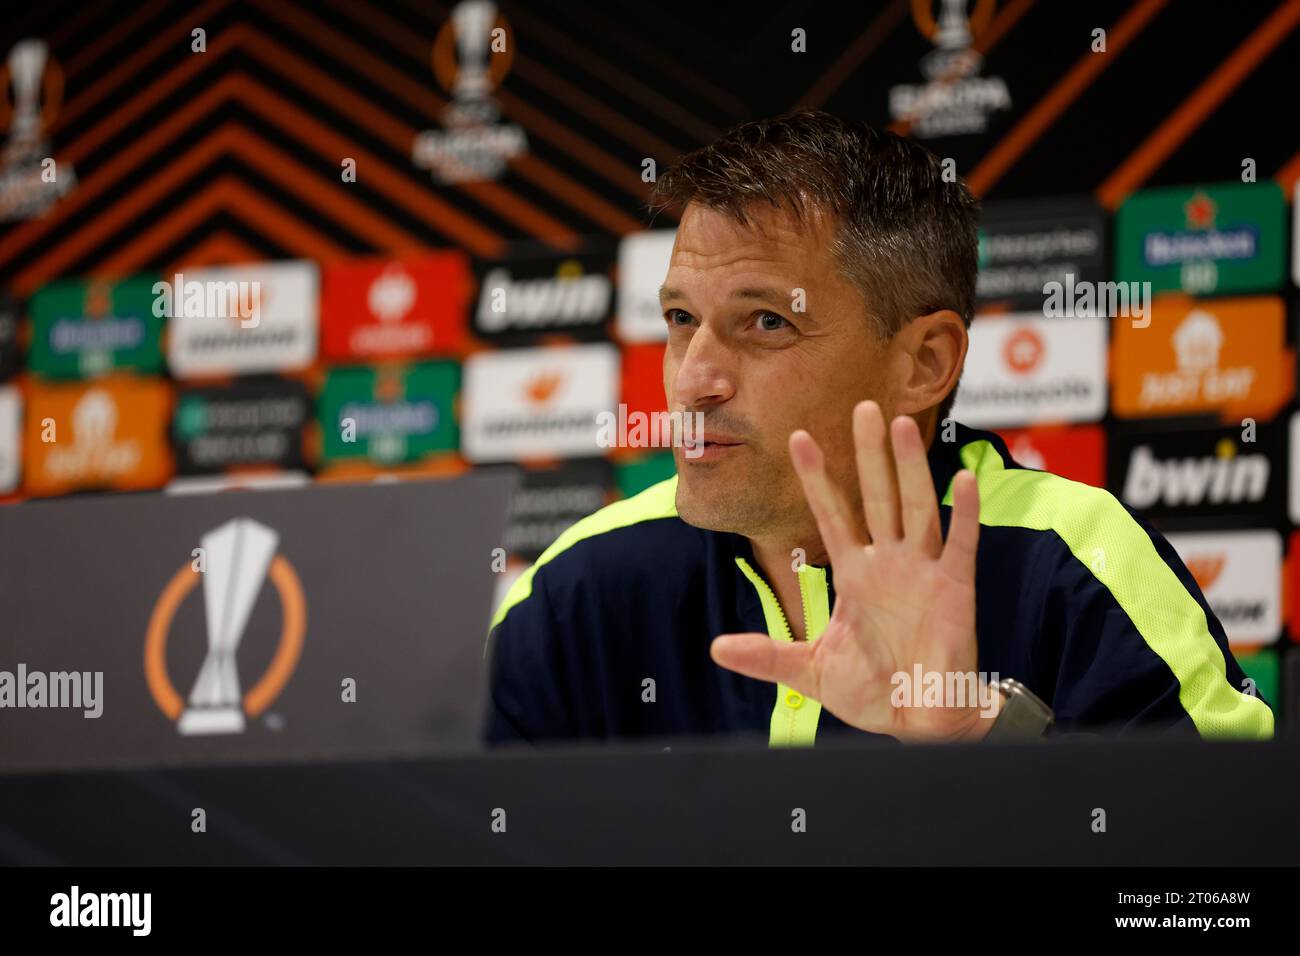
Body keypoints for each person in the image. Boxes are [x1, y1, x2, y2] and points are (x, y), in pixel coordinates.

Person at [484, 110, 1272, 746]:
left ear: (925, 363)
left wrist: (982, 742)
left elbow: (1221, 899)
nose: (693, 379)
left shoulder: (1080, 566)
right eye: (681, 318)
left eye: (765, 322)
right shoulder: (575, 589)